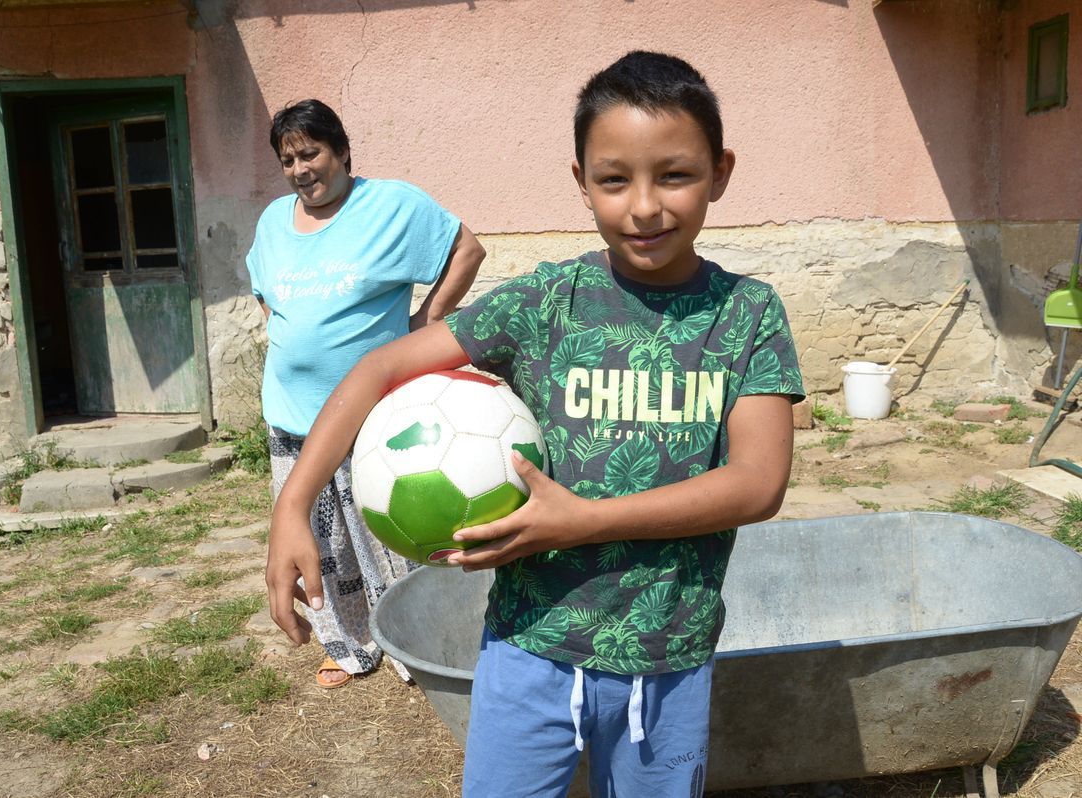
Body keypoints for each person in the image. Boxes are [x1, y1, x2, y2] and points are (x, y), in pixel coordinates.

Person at [265, 52, 804, 795]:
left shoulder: (746, 315)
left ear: (721, 171)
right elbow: (378, 369)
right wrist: (293, 504)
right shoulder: (546, 303)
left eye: (675, 174)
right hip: (529, 647)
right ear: (581, 182)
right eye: (614, 180)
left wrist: (583, 521)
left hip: (667, 656)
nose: (644, 206)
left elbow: (757, 482)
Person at [248, 98, 485, 689]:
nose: (300, 169)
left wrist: (428, 320)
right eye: (288, 160)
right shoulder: (274, 220)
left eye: (311, 154)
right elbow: (263, 289)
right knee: (323, 541)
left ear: (343, 151)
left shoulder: (392, 206)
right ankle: (350, 643)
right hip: (291, 414)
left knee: (390, 529)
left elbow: (467, 250)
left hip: (371, 412)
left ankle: (414, 642)